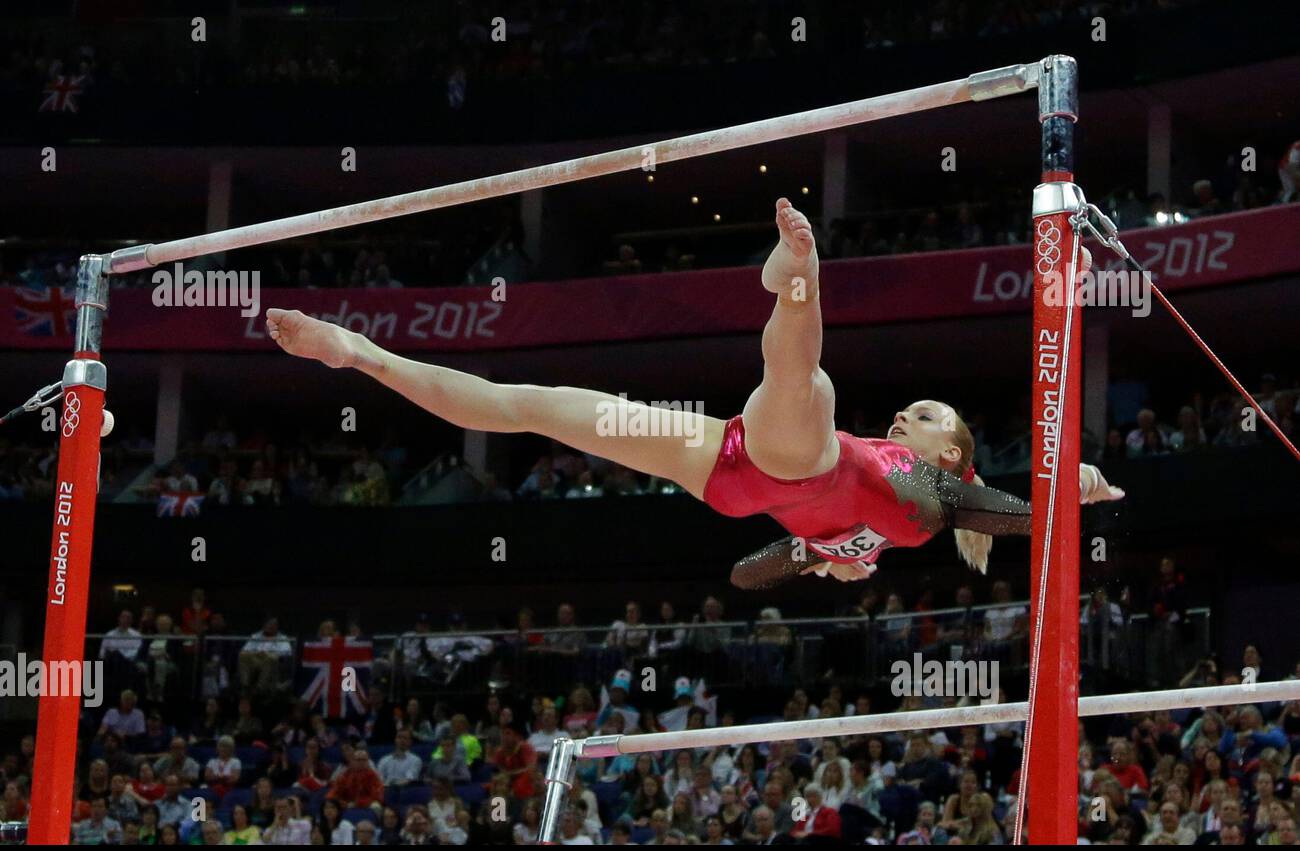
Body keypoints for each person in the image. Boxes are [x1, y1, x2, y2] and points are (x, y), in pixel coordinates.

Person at [266, 199, 1122, 588]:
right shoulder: (917, 503)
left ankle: (795, 277)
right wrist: (1062, 493)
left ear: (951, 451)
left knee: (804, 386)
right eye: (912, 411)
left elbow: (749, 576)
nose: (907, 415)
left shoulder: (926, 494)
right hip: (735, 456)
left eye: (926, 417)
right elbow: (1008, 512)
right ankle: (364, 354)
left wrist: (817, 555)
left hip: (758, 469)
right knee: (534, 404)